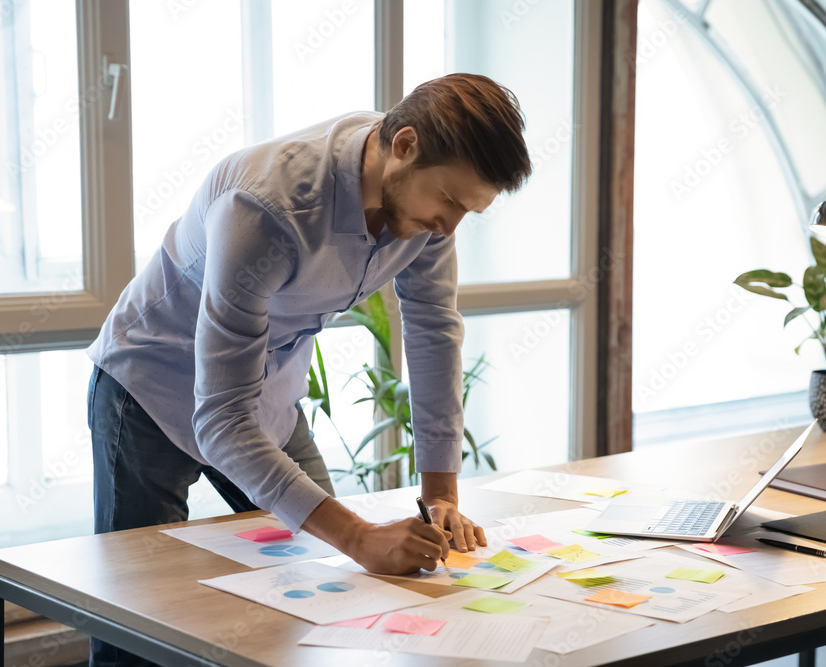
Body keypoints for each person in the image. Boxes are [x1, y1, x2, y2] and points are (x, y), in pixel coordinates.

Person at [84, 72, 532, 665]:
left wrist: (440, 495)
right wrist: (358, 535)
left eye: (468, 212)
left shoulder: (425, 208)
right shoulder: (266, 207)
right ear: (404, 145)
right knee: (140, 625)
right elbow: (220, 419)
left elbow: (432, 331)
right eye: (450, 202)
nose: (449, 228)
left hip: (265, 391)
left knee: (316, 593)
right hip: (150, 387)